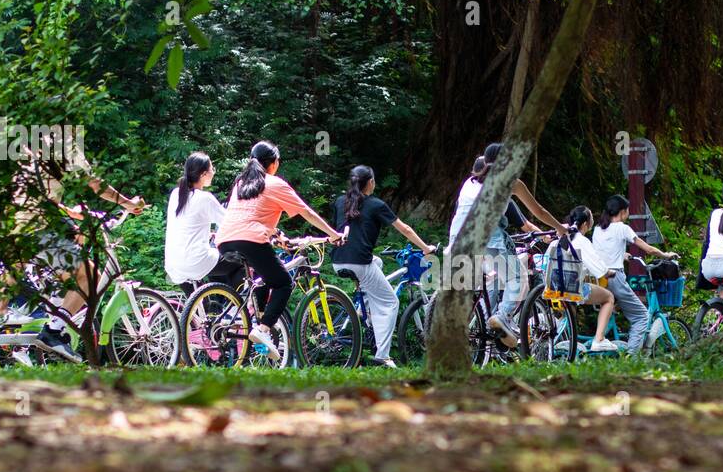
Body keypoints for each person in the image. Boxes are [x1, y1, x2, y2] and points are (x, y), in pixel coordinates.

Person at [14, 138, 145, 361]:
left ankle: (40, 334)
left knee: (70, 268)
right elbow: (95, 183)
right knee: (90, 277)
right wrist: (127, 203)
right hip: (39, 227)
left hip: (22, 224)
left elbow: (37, 193)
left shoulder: (35, 144)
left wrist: (69, 213)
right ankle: (53, 333)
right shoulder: (63, 142)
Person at [216, 140, 343, 354]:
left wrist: (277, 236)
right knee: (283, 282)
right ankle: (263, 329)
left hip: (224, 241)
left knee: (264, 278)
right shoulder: (274, 183)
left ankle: (257, 317)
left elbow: (249, 216)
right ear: (273, 163)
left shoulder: (241, 183)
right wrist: (334, 234)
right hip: (250, 240)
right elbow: (307, 213)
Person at [447, 143, 567, 348]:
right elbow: (538, 211)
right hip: (488, 239)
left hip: (457, 241)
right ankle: (501, 317)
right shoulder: (511, 181)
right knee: (519, 280)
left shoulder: (469, 182)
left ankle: (481, 325)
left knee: (487, 280)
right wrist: (560, 228)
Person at [331, 165, 437, 367]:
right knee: (390, 302)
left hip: (337, 260)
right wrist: (425, 248)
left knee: (377, 261)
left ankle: (365, 305)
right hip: (360, 263)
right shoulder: (376, 204)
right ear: (370, 182)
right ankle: (383, 355)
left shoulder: (339, 202)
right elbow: (404, 229)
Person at [591, 194, 676, 356]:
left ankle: (602, 340)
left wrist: (622, 255)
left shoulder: (597, 229)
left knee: (612, 307)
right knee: (641, 316)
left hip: (599, 278)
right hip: (615, 278)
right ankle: (631, 357)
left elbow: (601, 253)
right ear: (622, 212)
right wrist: (665, 255)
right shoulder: (623, 228)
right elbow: (648, 249)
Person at [164, 152, 242, 295]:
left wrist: (209, 235)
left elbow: (188, 227)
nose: (213, 172)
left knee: (201, 312)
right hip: (194, 263)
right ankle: (239, 304)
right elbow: (231, 224)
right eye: (212, 169)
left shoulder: (176, 194)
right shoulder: (205, 198)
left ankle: (209, 308)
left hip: (173, 264)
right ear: (203, 174)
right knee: (240, 261)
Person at [559, 206, 620, 353]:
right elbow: (599, 270)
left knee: (569, 308)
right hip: (574, 287)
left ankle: (565, 340)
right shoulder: (582, 241)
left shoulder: (561, 238)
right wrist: (609, 273)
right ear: (585, 224)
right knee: (609, 298)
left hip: (555, 287)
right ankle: (599, 340)